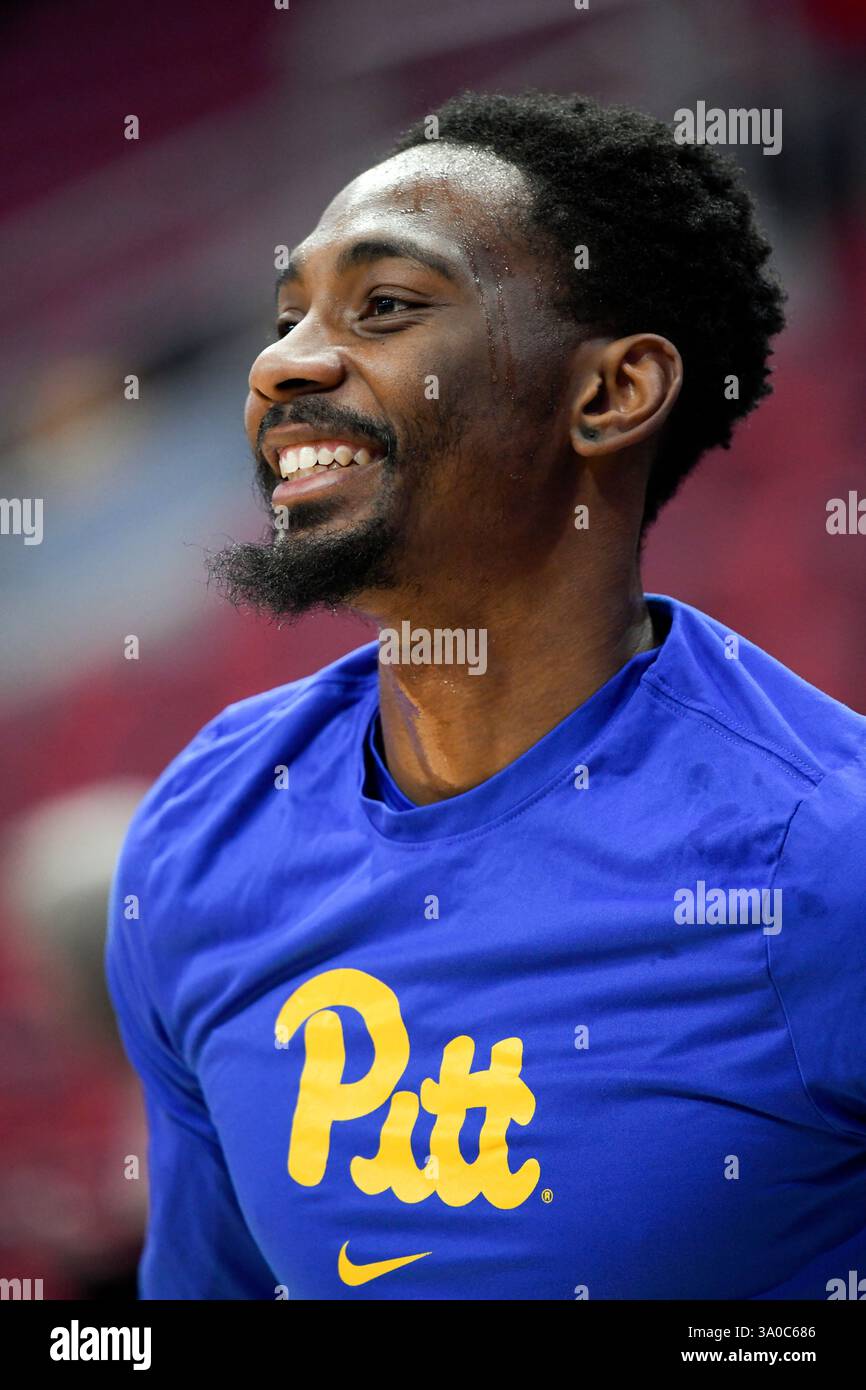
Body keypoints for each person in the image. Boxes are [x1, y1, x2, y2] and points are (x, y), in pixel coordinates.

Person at [106, 91, 866, 1300]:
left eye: (386, 306)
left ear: (609, 394)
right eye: (287, 312)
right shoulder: (205, 826)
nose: (282, 360)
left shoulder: (824, 858)